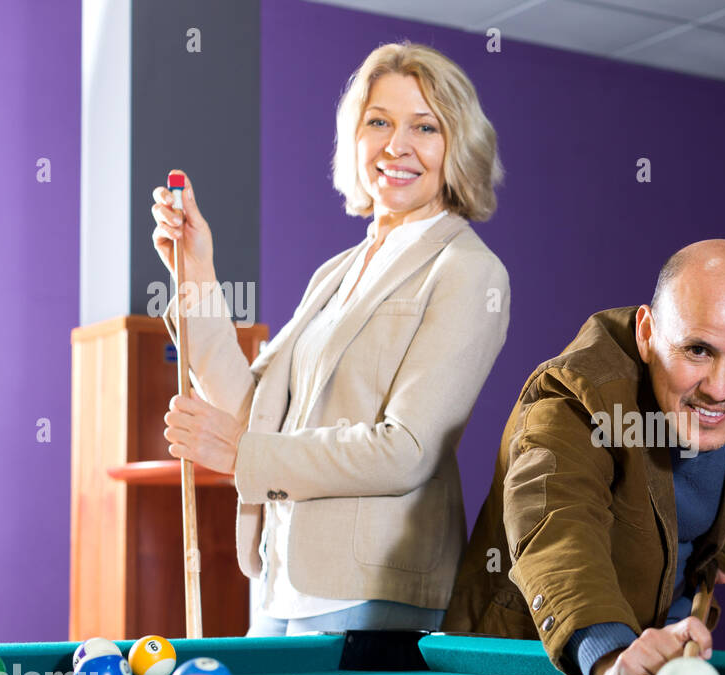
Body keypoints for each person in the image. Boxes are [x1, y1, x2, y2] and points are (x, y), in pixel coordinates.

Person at [150, 42, 510, 636]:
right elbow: (252, 407)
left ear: (458, 146)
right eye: (379, 122)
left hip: (372, 585)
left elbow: (406, 450)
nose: (397, 145)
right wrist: (195, 272)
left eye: (425, 126)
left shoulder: (469, 271)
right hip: (280, 575)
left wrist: (241, 455)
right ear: (355, 139)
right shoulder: (339, 269)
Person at [444, 240, 725, 675]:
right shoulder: (575, 396)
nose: (720, 389)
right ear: (647, 333)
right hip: (528, 656)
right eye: (697, 350)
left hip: (656, 644)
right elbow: (557, 525)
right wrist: (607, 651)